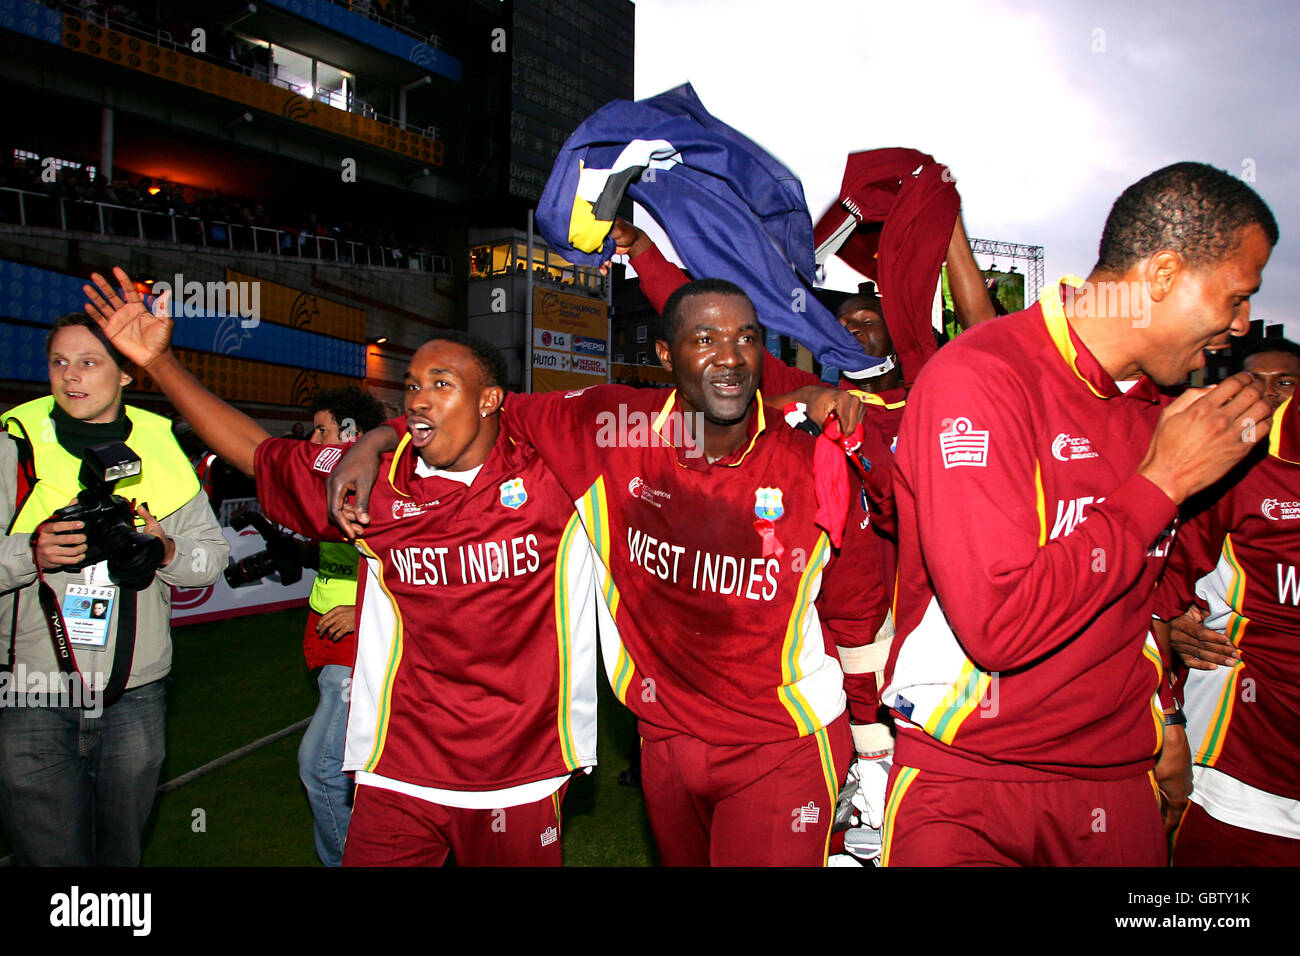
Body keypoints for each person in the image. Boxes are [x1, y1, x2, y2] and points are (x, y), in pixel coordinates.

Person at [332, 279, 889, 866]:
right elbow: (477, 408)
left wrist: (873, 741)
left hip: (782, 743)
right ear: (666, 355)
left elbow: (858, 613)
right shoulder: (609, 426)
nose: (730, 356)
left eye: (745, 339)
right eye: (706, 339)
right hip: (663, 739)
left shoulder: (811, 459)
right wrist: (374, 441)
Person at [82, 267, 598, 867]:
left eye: (442, 383)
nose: (419, 397)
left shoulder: (553, 476)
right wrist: (161, 362)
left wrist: (380, 433)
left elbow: (635, 413)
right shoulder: (375, 485)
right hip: (400, 769)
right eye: (412, 385)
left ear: (489, 400)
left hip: (521, 771)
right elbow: (254, 452)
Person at [878, 161, 1278, 866]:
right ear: (1163, 274)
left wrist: (1167, 713)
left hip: (1118, 782)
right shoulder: (980, 377)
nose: (1241, 325)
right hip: (970, 782)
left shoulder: (1169, 412)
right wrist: (1162, 481)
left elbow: (1141, 594)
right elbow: (999, 627)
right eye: (1236, 296)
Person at [0, 312, 227, 867]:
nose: (70, 376)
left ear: (126, 373)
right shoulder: (13, 446)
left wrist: (166, 550)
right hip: (32, 692)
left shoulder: (162, 446)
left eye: (89, 362)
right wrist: (30, 553)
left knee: (120, 857)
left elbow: (211, 559)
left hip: (135, 693)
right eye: (59, 362)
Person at [1153, 348, 1300, 866]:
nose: (1269, 395)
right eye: (1254, 382)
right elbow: (1152, 587)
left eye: (1285, 383)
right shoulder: (1235, 464)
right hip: (1242, 771)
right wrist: (1172, 624)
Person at [296, 386, 384, 866]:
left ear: (353, 434)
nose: (312, 440)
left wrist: (364, 610)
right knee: (352, 769)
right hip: (333, 646)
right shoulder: (336, 481)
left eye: (322, 430)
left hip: (359, 649)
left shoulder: (380, 486)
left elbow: (418, 568)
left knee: (322, 766)